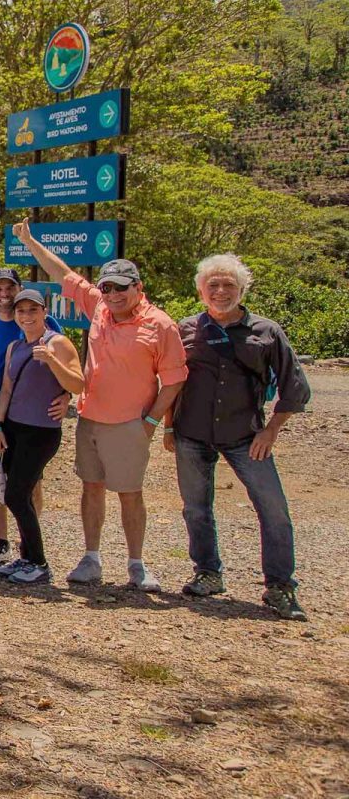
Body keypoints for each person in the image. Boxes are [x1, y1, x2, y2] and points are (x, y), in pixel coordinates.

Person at [12, 222, 186, 591]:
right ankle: (91, 558)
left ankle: (136, 564)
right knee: (91, 488)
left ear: (138, 288)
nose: (112, 294)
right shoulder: (99, 309)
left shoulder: (160, 325)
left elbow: (174, 379)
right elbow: (63, 274)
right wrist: (29, 242)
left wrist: (153, 422)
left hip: (130, 423)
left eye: (121, 288)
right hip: (90, 418)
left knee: (130, 493)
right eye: (106, 287)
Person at [167, 254, 311, 620]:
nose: (220, 291)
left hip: (246, 435)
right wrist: (168, 426)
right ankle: (208, 572)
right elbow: (171, 381)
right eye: (212, 285)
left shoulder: (266, 331)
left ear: (242, 289)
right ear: (201, 291)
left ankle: (279, 585)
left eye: (228, 284)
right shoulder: (185, 330)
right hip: (192, 433)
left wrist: (271, 431)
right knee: (196, 509)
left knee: (274, 510)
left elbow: (295, 388)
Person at [0, 289, 83, 585]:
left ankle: (39, 562)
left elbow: (78, 384)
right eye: (21, 311)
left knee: (17, 495)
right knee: (18, 494)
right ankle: (27, 556)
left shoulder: (59, 343)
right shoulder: (15, 346)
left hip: (42, 432)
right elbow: (6, 389)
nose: (26, 316)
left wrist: (53, 360)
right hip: (14, 428)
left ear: (44, 312)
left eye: (32, 310)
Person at [0, 268, 65, 568]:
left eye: (9, 288)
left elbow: (66, 366)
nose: (4, 295)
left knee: (30, 481)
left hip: (31, 419)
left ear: (19, 289)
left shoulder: (45, 324)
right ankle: (2, 540)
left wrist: (67, 395)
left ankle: (29, 541)